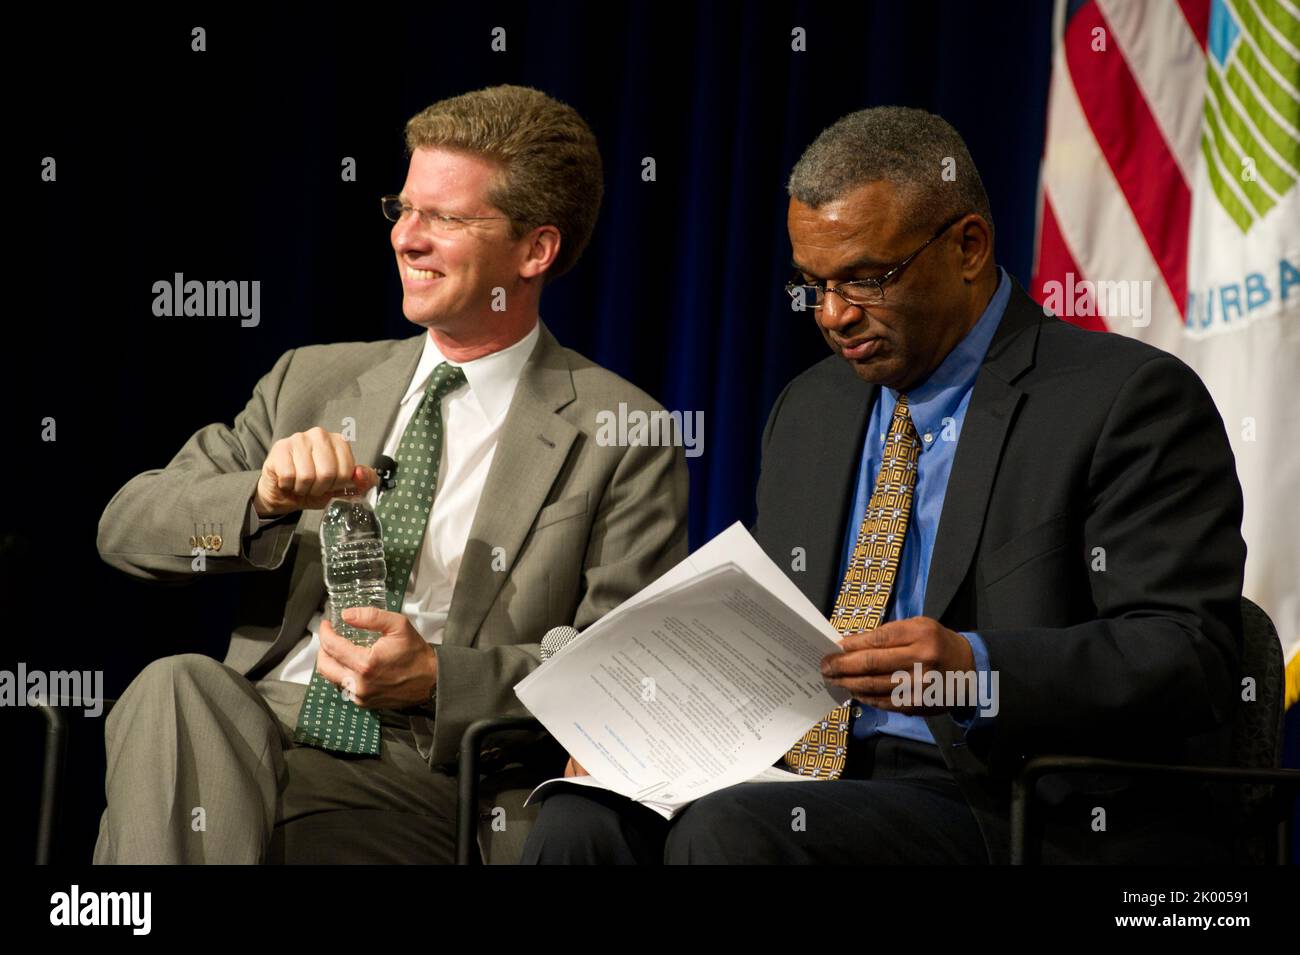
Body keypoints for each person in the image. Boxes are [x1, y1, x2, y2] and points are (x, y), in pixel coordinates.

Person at [521, 106, 1245, 864]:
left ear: (968, 246)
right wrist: (650, 739)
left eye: (867, 278)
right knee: (581, 821)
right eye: (813, 284)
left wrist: (975, 667)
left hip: (1009, 802)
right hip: (797, 774)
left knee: (732, 831)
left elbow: (1188, 656)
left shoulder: (1122, 399)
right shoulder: (811, 408)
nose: (834, 315)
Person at [93, 84, 688, 864]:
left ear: (536, 250)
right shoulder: (310, 380)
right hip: (258, 721)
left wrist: (440, 675)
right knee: (176, 686)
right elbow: (127, 527)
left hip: (439, 768)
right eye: (402, 209)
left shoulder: (622, 432)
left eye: (444, 218)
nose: (407, 238)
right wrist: (261, 497)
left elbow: (625, 669)